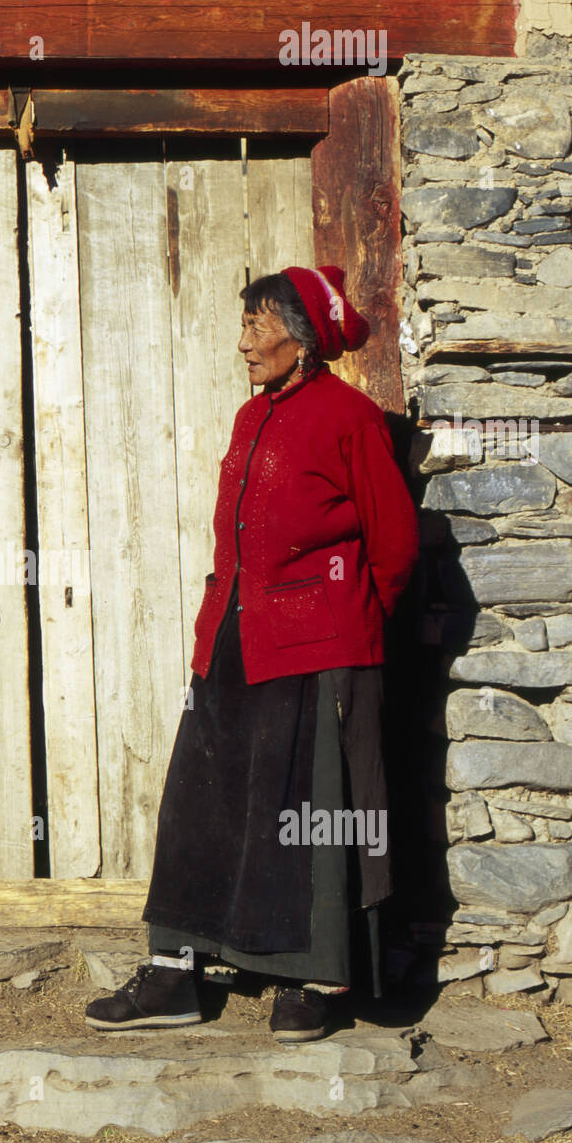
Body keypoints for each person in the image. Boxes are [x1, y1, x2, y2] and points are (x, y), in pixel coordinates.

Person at [85, 265, 419, 1044]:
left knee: (313, 812)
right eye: (244, 327)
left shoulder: (350, 419)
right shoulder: (251, 416)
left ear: (301, 341)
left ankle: (318, 978)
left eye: (258, 328)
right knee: (201, 798)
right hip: (234, 636)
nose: (244, 344)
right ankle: (176, 973)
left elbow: (394, 549)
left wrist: (346, 627)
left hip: (320, 644)